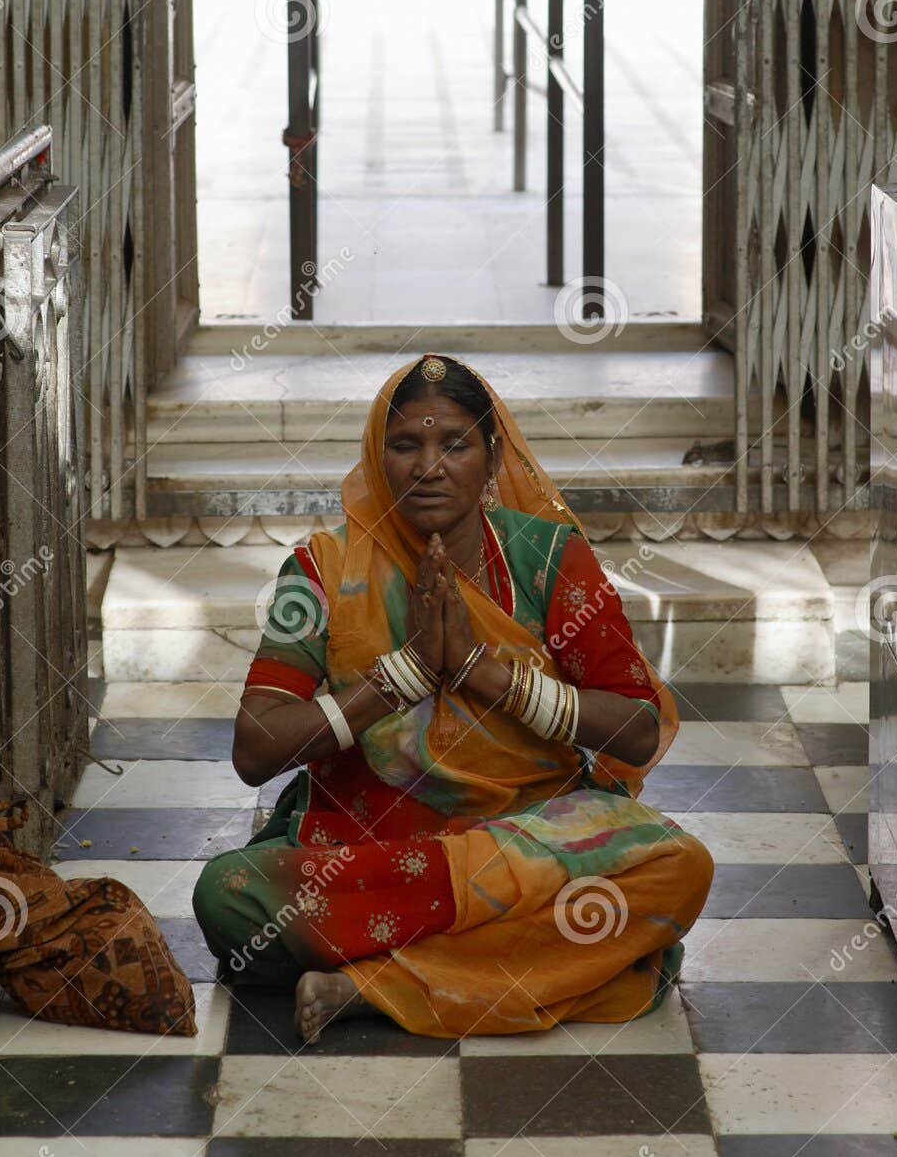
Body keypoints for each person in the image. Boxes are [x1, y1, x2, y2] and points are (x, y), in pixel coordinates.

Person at [193, 354, 714, 1043]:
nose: (428, 466)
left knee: (680, 866)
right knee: (228, 895)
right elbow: (256, 749)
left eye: (454, 444)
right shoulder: (320, 570)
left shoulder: (551, 559)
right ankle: (519, 962)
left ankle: (374, 983)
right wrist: (404, 676)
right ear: (378, 456)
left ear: (492, 455)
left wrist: (480, 671)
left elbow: (638, 731)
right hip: (375, 851)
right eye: (406, 444)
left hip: (535, 841)